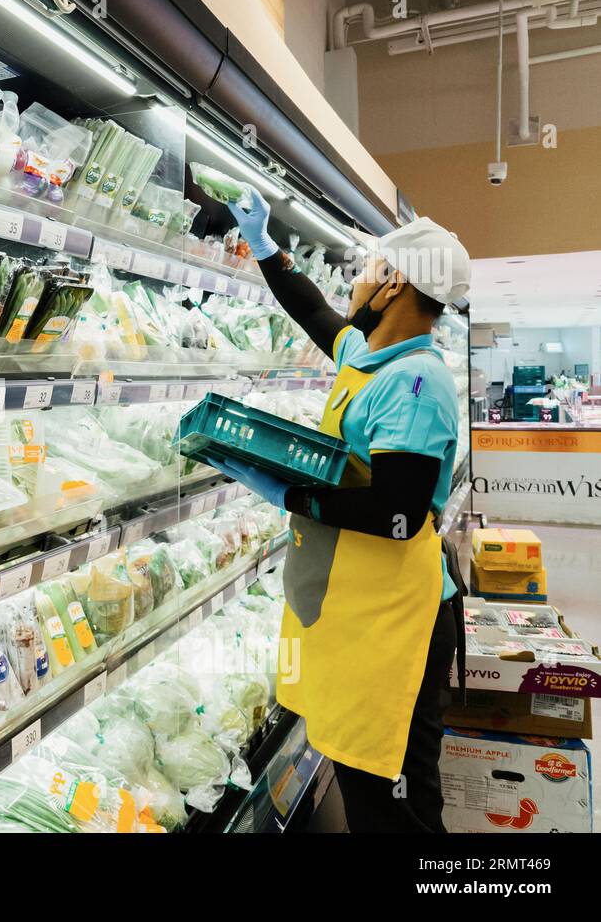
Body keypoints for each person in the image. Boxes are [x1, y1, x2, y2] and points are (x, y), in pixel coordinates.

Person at [223, 188, 469, 833]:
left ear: (392, 284)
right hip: (359, 614)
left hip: (398, 627)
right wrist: (266, 247)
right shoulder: (369, 356)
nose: (354, 284)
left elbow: (397, 513)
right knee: (368, 799)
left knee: (400, 812)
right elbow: (313, 311)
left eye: (364, 271)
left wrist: (287, 492)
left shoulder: (416, 384)